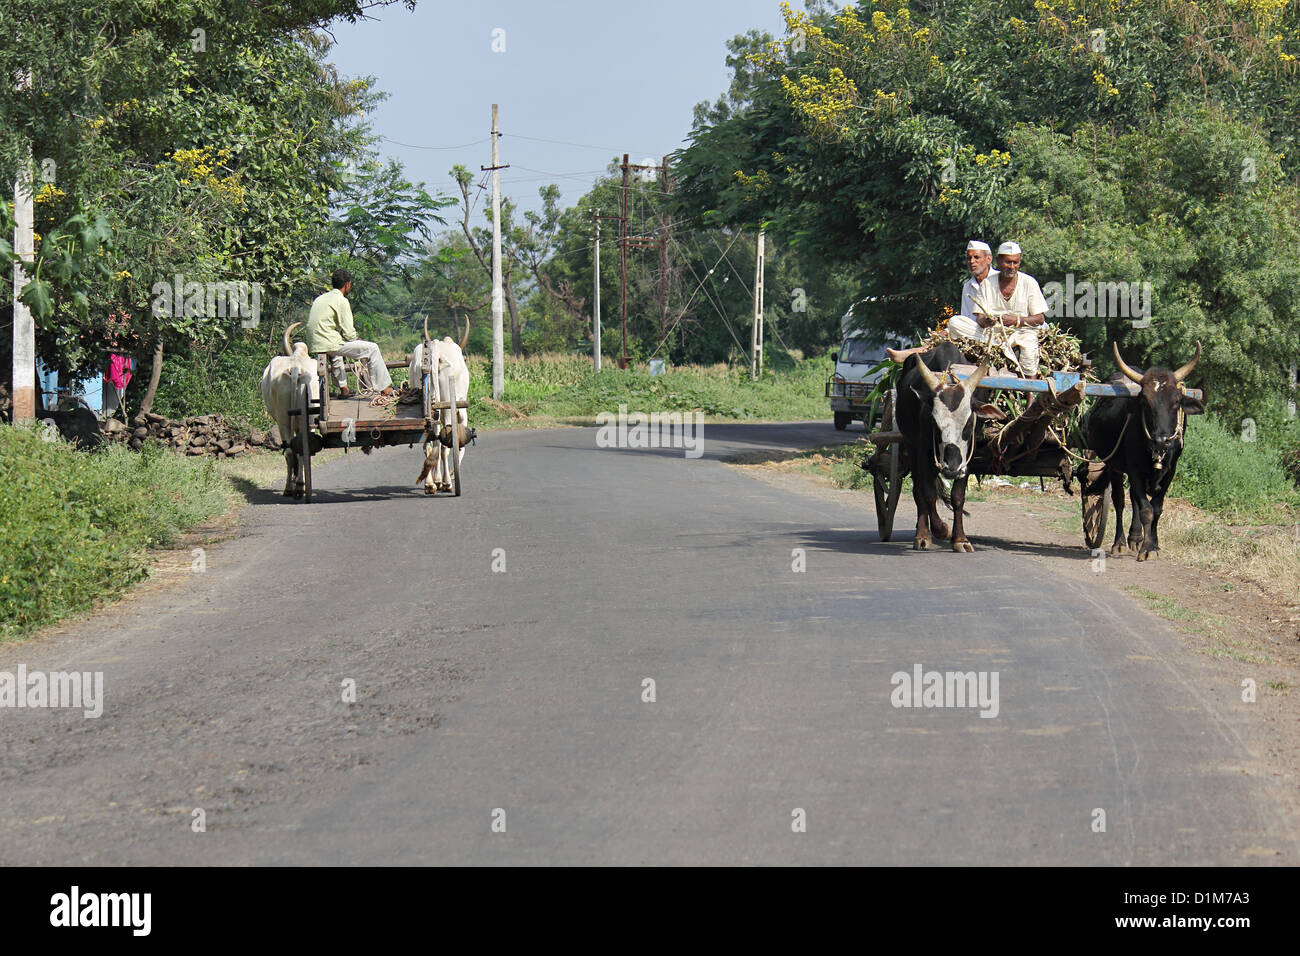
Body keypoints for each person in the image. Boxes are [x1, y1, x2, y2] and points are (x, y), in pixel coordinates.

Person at [887, 240, 997, 363]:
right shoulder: (968, 286)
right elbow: (967, 319)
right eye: (969, 258)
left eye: (976, 257)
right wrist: (944, 333)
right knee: (950, 327)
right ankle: (918, 350)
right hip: (972, 332)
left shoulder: (999, 281)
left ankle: (917, 351)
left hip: (995, 335)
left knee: (953, 322)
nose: (972, 262)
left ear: (988, 259)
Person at [305, 269, 395, 398]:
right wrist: (357, 338)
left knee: (336, 354)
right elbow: (349, 334)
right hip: (328, 342)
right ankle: (384, 388)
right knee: (373, 348)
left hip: (315, 342)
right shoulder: (342, 300)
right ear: (347, 284)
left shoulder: (320, 298)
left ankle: (344, 389)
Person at [968, 241, 1048, 377]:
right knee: (955, 323)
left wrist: (1016, 321)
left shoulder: (1029, 282)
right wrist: (987, 321)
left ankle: (1031, 394)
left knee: (1029, 348)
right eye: (1008, 262)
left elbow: (1040, 318)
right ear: (998, 261)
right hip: (992, 334)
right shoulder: (987, 283)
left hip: (1022, 331)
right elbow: (979, 318)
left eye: (1015, 263)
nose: (1012, 267)